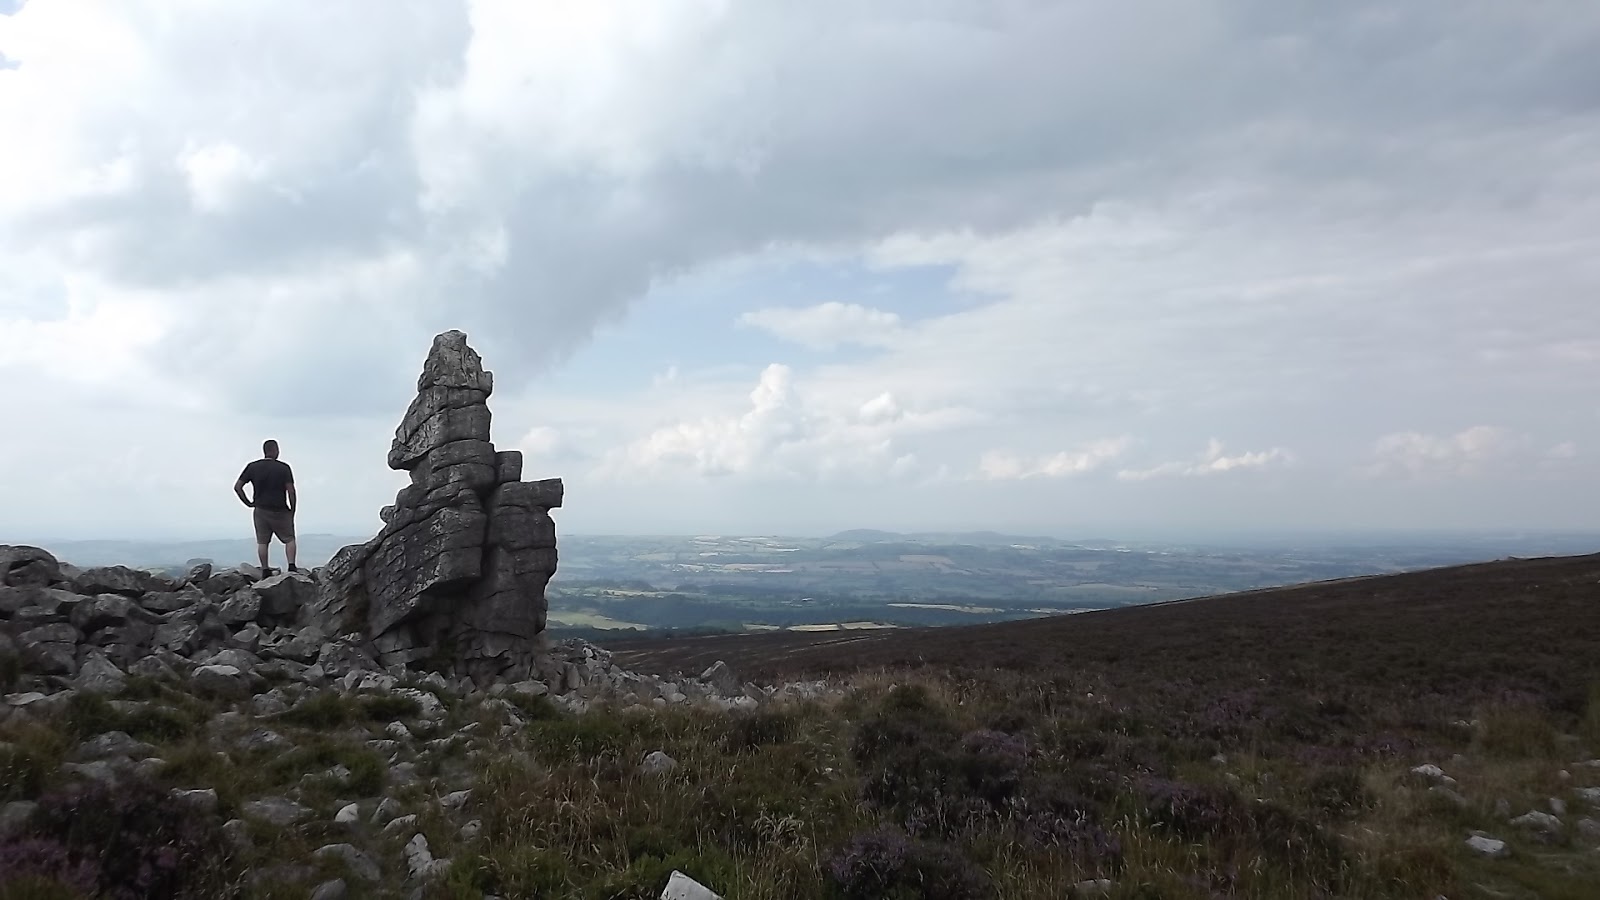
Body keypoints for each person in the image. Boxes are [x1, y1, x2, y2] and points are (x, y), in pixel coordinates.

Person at [234, 439, 298, 577]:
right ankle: (292, 567)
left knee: (262, 542)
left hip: (260, 510)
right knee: (289, 539)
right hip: (280, 509)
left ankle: (265, 570)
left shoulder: (252, 467)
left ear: (265, 451)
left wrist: (248, 503)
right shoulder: (284, 468)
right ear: (275, 450)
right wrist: (292, 509)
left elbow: (238, 487)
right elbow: (291, 490)